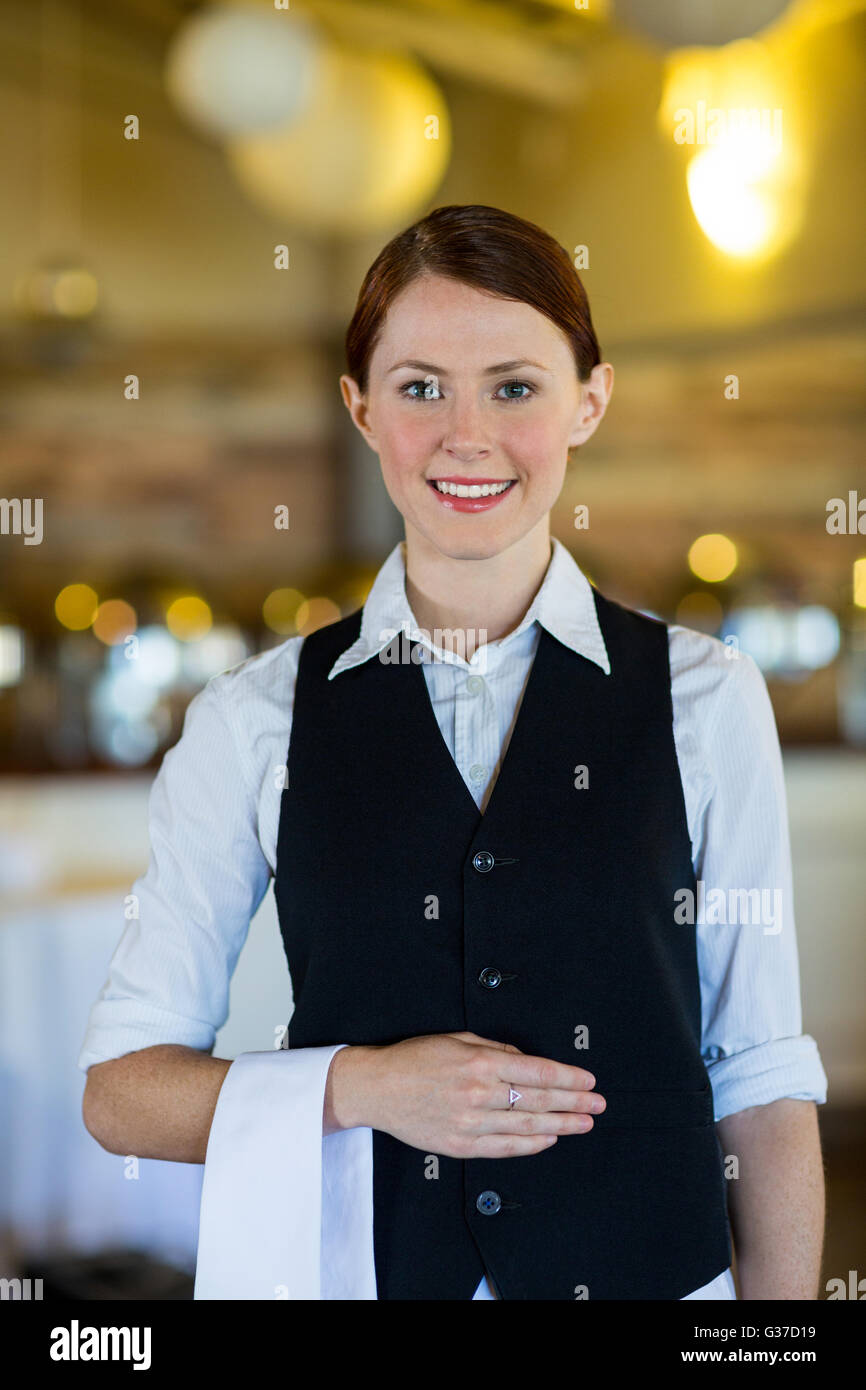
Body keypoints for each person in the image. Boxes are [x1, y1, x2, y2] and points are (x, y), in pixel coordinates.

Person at [80, 203, 827, 1300]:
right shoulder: (251, 720)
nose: (464, 435)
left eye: (514, 387)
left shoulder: (705, 700)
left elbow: (757, 1075)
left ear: (588, 401)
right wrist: (364, 1087)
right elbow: (121, 1093)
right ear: (360, 408)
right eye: (419, 386)